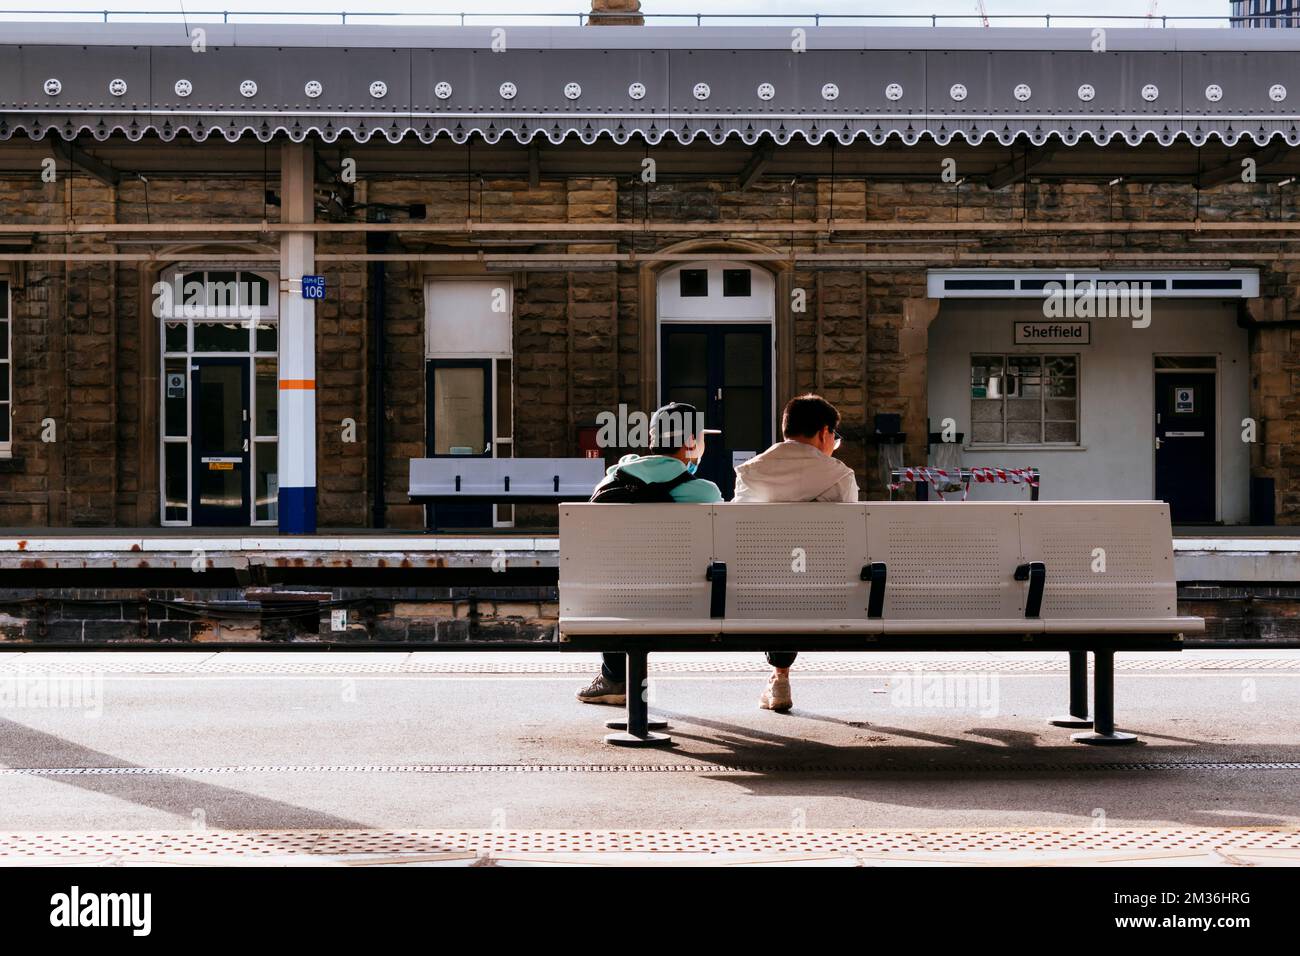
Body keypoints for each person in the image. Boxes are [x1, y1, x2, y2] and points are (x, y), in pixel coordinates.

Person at [575, 402, 722, 705]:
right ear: (691, 443)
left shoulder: (613, 479)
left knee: (619, 581)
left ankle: (615, 679)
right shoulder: (705, 493)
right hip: (685, 603)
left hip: (610, 603)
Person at [732, 393, 859, 712]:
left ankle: (779, 676)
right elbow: (852, 537)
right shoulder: (839, 474)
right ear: (825, 433)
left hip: (756, 585)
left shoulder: (749, 471)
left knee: (779, 581)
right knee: (795, 579)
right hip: (827, 584)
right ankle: (780, 676)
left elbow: (737, 536)